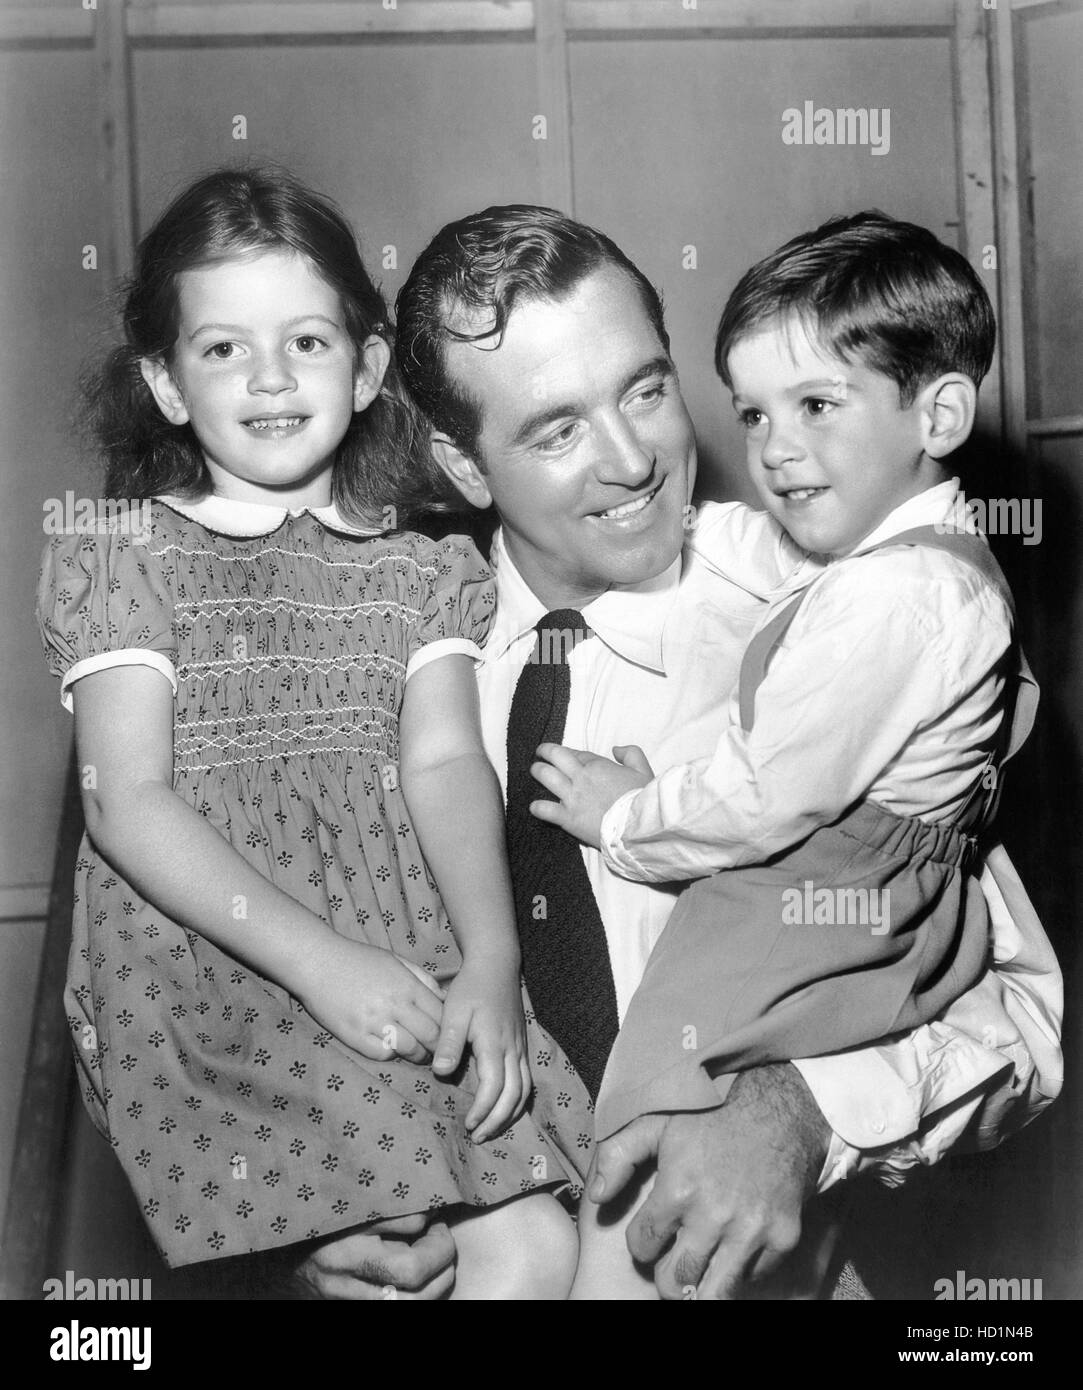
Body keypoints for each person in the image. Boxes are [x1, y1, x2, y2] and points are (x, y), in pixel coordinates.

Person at [300, 203, 1057, 1302]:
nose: (632, 461)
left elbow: (1020, 1018)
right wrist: (315, 1213)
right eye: (556, 429)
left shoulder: (830, 618)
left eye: (646, 391)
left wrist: (805, 1111)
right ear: (465, 463)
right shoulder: (381, 664)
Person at [36, 169, 592, 1300]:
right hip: (226, 961)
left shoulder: (420, 568)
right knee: (379, 1264)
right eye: (224, 350)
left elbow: (443, 762)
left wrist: (490, 960)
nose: (272, 377)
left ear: (370, 363)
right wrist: (325, 965)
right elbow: (123, 798)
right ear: (166, 384)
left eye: (305, 339)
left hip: (406, 948)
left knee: (534, 1249)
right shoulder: (121, 552)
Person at [526, 211, 1050, 1296]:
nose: (773, 448)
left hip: (812, 892)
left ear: (941, 410)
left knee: (651, 1137)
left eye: (817, 405)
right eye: (754, 413)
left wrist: (630, 817)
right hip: (845, 884)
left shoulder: (902, 595)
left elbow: (767, 796)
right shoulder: (883, 561)